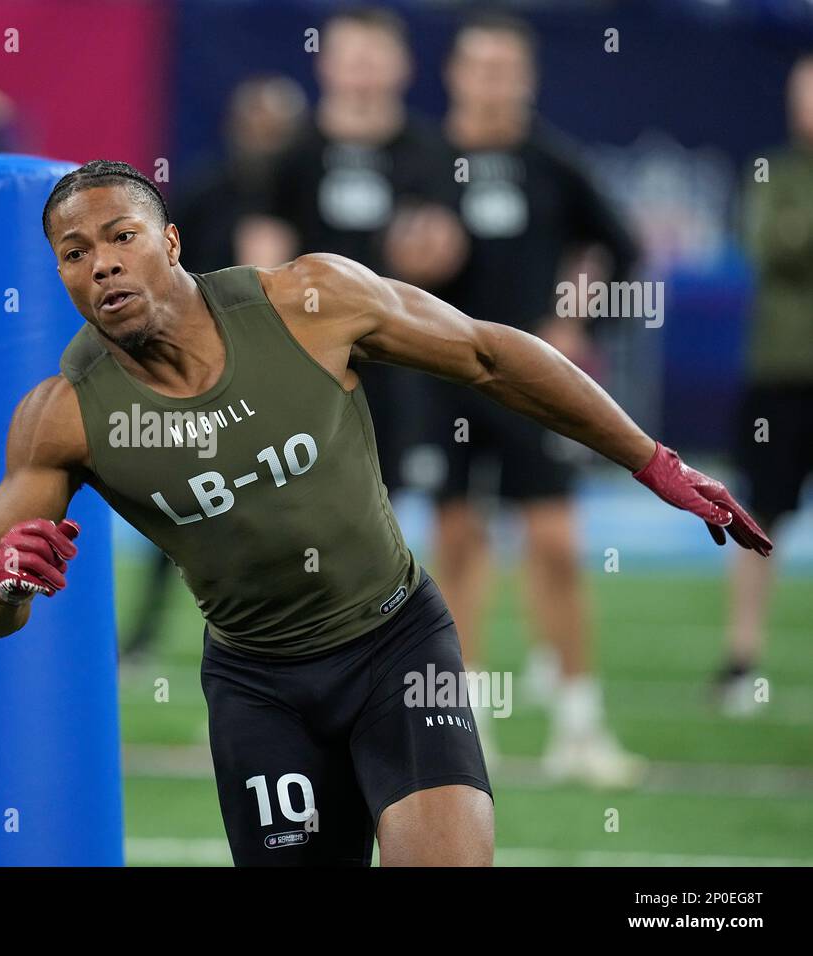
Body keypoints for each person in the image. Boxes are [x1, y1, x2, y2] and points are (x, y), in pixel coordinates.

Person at [0, 160, 771, 866]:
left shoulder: (310, 301)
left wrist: (650, 459)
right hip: (259, 688)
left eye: (122, 237)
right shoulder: (63, 415)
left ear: (170, 242)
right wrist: (10, 584)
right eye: (74, 253)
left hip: (395, 646)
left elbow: (490, 355)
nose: (101, 265)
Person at [431, 13, 644, 785]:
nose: (491, 82)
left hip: (535, 382)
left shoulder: (554, 164)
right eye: (478, 67)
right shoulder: (426, 160)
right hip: (444, 382)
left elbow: (622, 245)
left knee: (556, 543)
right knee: (456, 544)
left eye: (505, 69)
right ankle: (466, 723)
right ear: (455, 73)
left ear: (526, 78)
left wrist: (571, 313)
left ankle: (580, 724)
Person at [238, 6, 466, 496]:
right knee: (302, 495)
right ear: (327, 64)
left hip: (399, 351)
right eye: (351, 56)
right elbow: (260, 255)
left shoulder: (431, 152)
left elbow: (446, 248)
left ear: (402, 65)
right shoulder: (291, 153)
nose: (362, 70)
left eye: (374, 57)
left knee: (387, 499)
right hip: (311, 352)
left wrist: (425, 254)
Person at [119, 73, 307, 663]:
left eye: (278, 130)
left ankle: (288, 630)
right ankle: (145, 636)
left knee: (288, 504)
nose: (266, 139)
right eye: (257, 126)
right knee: (183, 500)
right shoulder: (205, 194)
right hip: (203, 374)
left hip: (291, 374)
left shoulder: (310, 195)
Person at [717, 54, 813, 715]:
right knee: (760, 519)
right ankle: (741, 658)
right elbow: (770, 246)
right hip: (782, 372)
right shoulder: (772, 172)